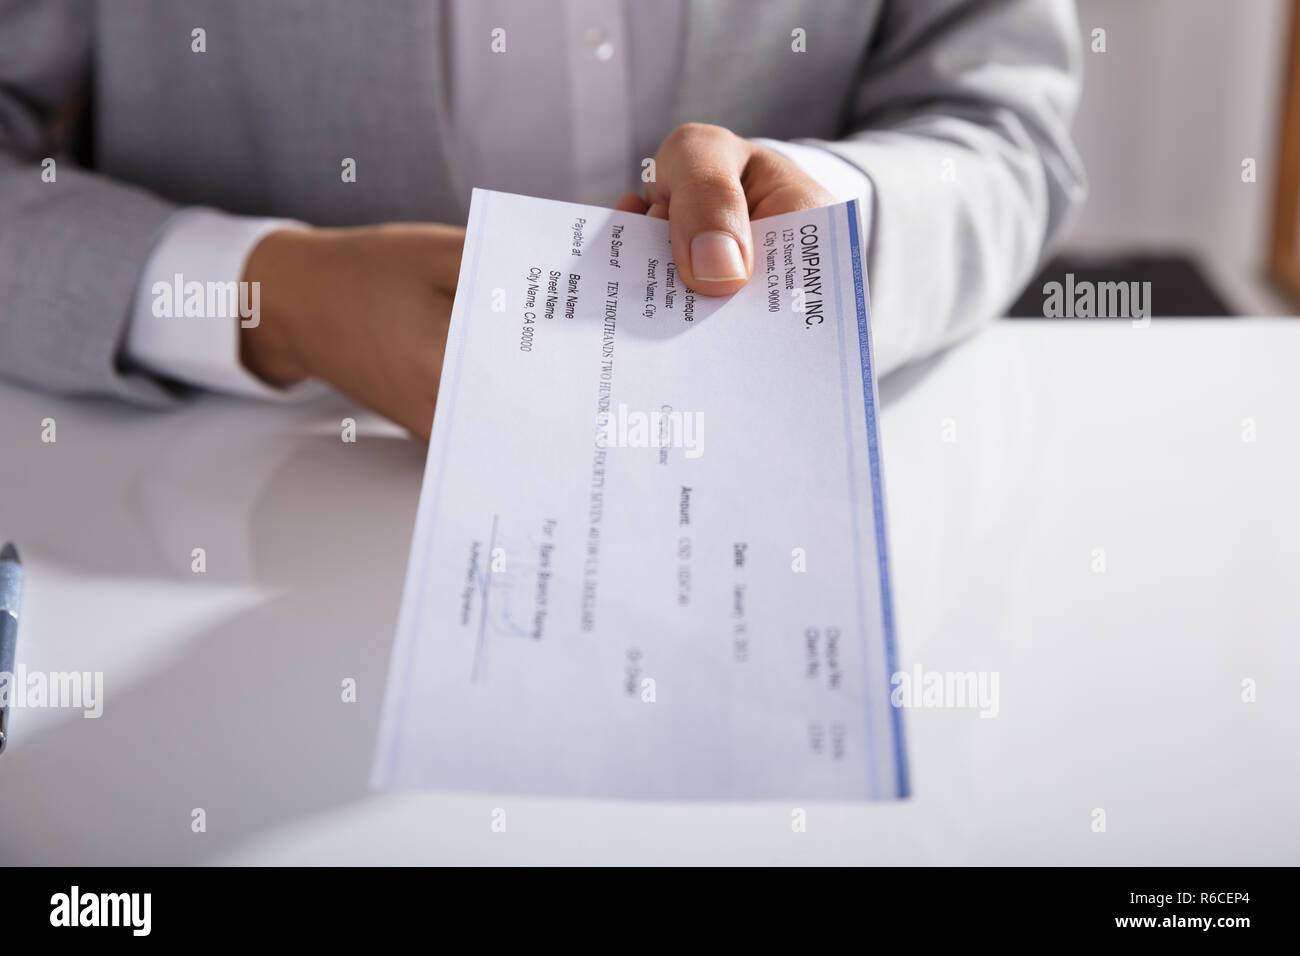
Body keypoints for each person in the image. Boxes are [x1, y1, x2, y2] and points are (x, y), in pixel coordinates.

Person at [0, 0, 1085, 439]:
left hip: (779, 503)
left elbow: (1000, 124)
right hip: (224, 487)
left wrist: (815, 232)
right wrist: (264, 296)